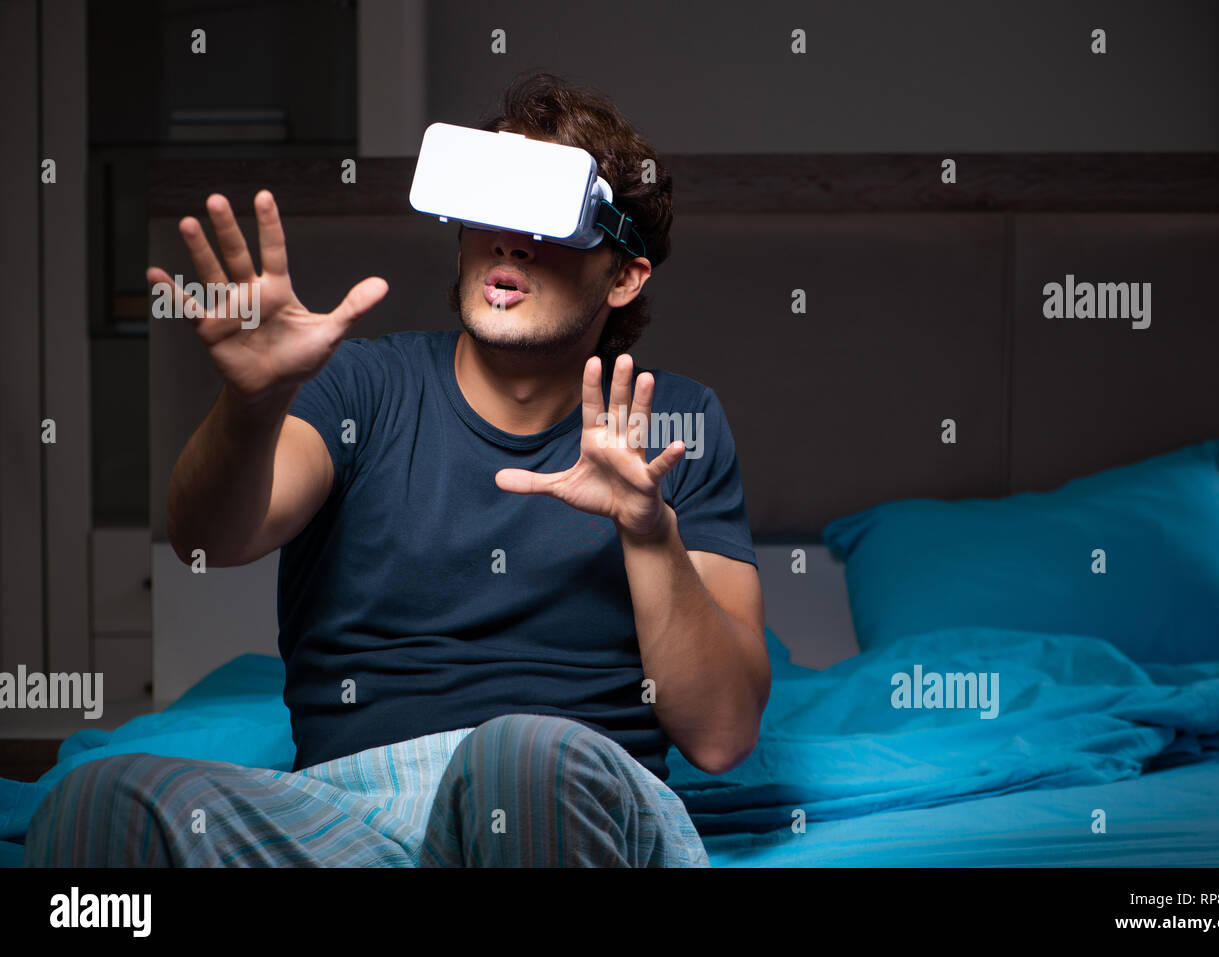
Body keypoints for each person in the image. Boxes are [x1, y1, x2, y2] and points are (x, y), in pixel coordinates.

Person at [24, 73, 767, 868]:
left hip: (564, 796)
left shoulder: (670, 424)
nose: (509, 239)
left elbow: (721, 736)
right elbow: (211, 537)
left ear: (623, 274)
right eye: (492, 201)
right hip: (344, 813)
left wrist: (650, 533)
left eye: (545, 211)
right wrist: (253, 401)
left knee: (520, 757)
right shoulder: (362, 385)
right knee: (97, 803)